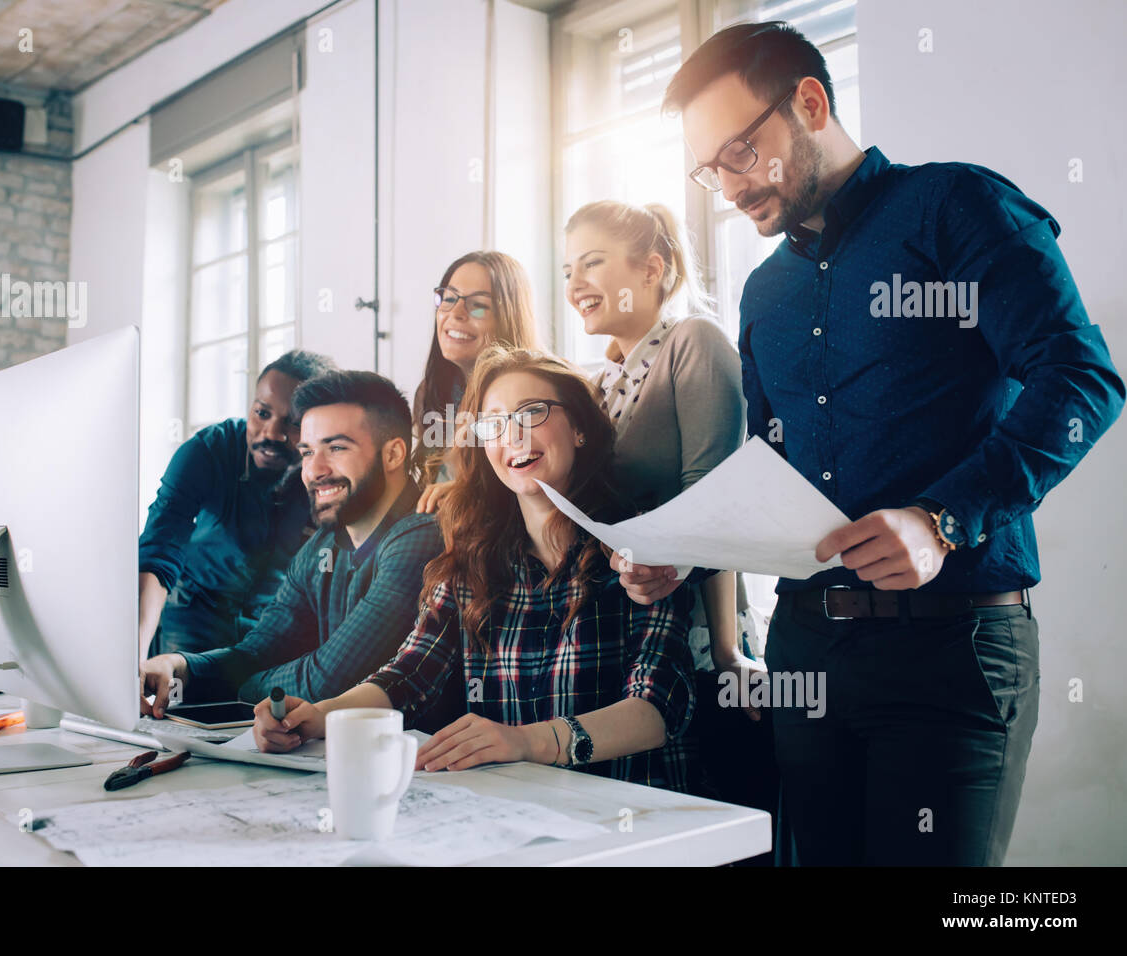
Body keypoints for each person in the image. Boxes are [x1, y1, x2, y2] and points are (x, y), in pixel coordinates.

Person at [665, 20, 1124, 864]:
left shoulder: (957, 205)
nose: (727, 187)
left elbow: (1081, 378)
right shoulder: (766, 291)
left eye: (739, 152)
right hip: (806, 650)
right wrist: (686, 548)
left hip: (951, 652)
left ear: (809, 102)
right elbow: (771, 468)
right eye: (708, 169)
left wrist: (942, 519)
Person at [252, 347, 697, 793]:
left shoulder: (638, 544)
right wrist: (321, 715)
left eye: (532, 412)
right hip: (518, 818)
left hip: (633, 816)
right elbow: (410, 672)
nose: (513, 435)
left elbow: (658, 706)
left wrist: (524, 741)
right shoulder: (474, 555)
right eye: (495, 424)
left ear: (579, 427)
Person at [563, 200, 778, 824]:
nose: (575, 283)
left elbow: (712, 498)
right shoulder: (600, 385)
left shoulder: (694, 342)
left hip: (696, 629)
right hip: (627, 633)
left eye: (593, 263)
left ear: (652, 269)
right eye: (568, 268)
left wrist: (731, 652)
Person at [139, 370, 445, 712]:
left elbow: (326, 680)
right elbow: (256, 653)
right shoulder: (322, 548)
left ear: (393, 454)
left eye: (337, 448)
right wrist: (177, 669)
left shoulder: (421, 537)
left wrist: (239, 688)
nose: (315, 471)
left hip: (426, 760)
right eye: (307, 452)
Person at [137, 350, 335, 659]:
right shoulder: (206, 451)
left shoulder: (325, 473)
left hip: (273, 627)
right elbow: (159, 548)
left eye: (292, 423)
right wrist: (135, 652)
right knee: (186, 706)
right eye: (262, 413)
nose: (271, 433)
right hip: (195, 618)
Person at [411, 251, 539, 513]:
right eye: (448, 298)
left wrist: (469, 493)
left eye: (477, 304)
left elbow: (540, 486)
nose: (455, 313)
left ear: (508, 315)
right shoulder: (431, 391)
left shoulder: (534, 392)